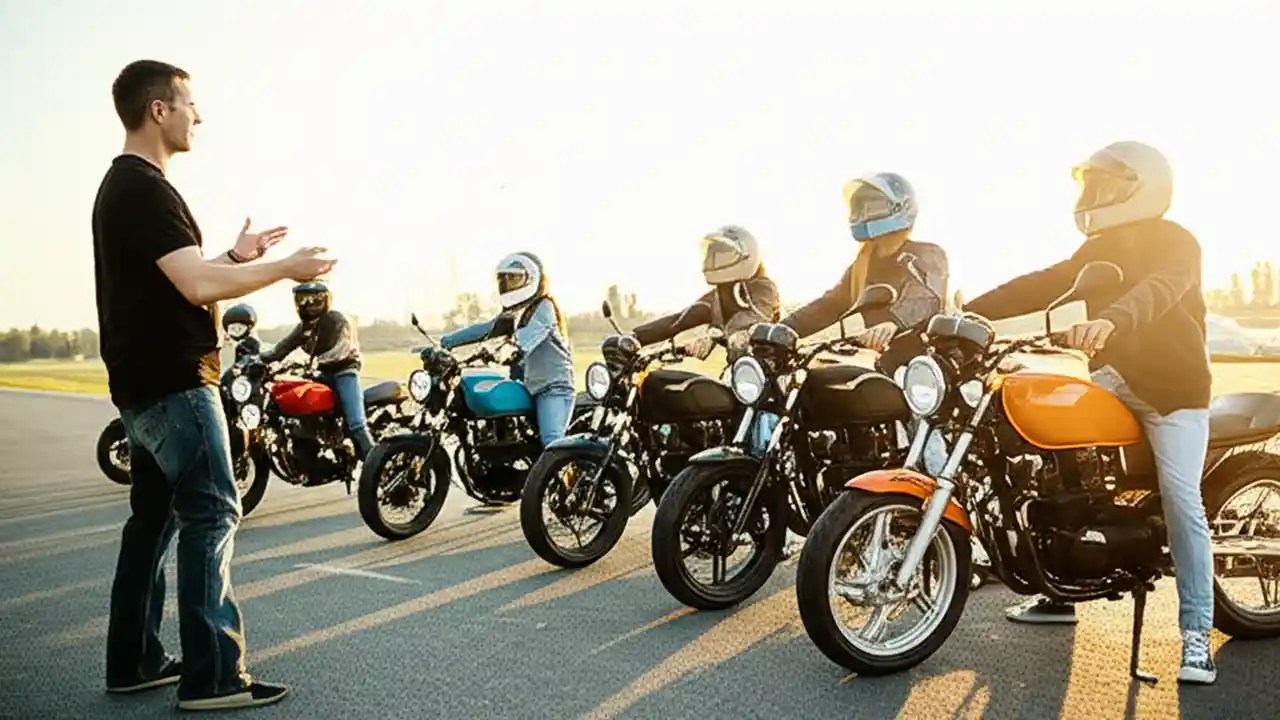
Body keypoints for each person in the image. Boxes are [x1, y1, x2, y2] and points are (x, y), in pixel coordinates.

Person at [94, 59, 333, 711]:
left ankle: (136, 659)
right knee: (212, 513)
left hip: (141, 388)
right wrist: (285, 268)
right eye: (190, 104)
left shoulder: (123, 189)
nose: (199, 116)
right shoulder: (146, 189)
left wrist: (238, 258)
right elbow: (196, 287)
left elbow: (184, 277)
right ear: (158, 111)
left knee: (153, 521)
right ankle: (213, 677)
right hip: (176, 384)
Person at [962, 141, 1217, 684]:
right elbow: (1038, 284)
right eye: (1091, 186)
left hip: (1174, 393)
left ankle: (1197, 635)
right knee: (1051, 463)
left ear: (1141, 188)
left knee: (1181, 499)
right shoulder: (1095, 251)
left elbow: (1159, 291)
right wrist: (963, 313)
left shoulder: (1177, 242)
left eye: (1106, 186)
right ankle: (1059, 590)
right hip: (1115, 381)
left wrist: (1112, 322)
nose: (1094, 196)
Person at [441, 252, 576, 447]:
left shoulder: (544, 307)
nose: (507, 283)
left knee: (552, 443)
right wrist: (447, 342)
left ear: (531, 279)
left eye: (513, 278)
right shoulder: (516, 312)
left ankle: (566, 476)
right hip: (528, 385)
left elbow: (527, 339)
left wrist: (504, 350)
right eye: (504, 278)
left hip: (553, 387)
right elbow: (487, 329)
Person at [631, 225, 781, 363]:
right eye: (712, 256)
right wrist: (635, 337)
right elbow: (678, 321)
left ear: (747, 256)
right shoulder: (718, 295)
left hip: (772, 375)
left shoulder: (763, 288)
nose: (714, 262)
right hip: (738, 375)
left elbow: (752, 321)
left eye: (723, 256)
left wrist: (712, 336)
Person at [260, 281, 375, 459]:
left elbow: (338, 348)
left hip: (344, 371)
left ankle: (375, 463)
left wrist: (308, 361)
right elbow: (282, 348)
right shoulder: (305, 327)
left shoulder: (337, 319)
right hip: (322, 373)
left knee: (357, 424)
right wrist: (259, 359)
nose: (308, 304)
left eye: (314, 299)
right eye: (303, 299)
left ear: (326, 300)